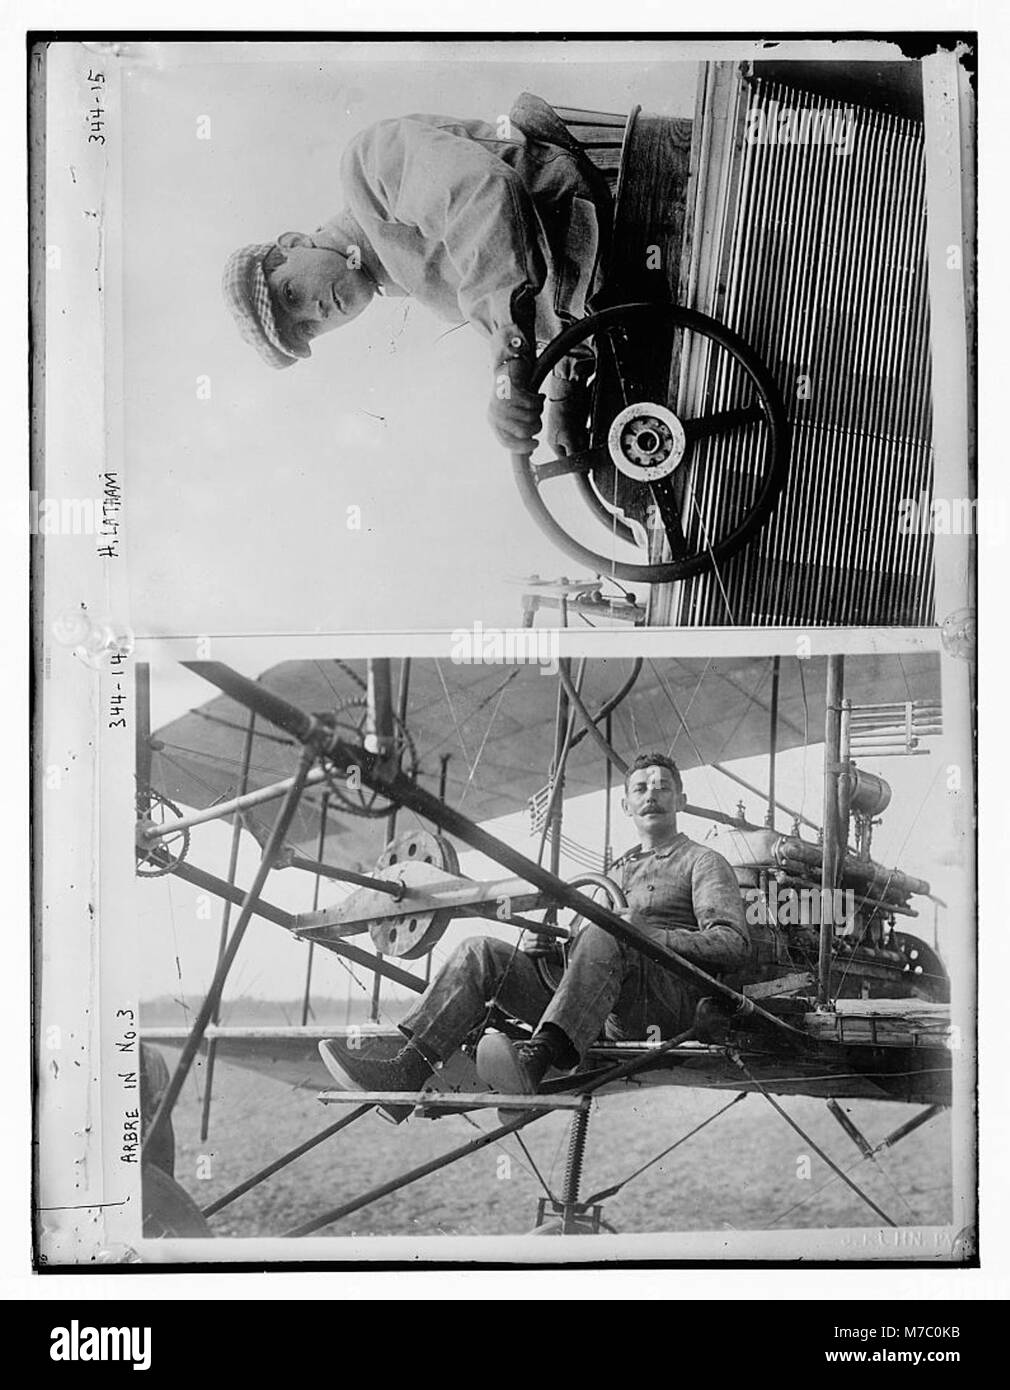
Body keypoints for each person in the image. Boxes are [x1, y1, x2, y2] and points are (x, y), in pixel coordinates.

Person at [319, 753, 752, 1117]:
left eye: (661, 787)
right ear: (626, 805)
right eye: (640, 788)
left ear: (681, 799)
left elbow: (733, 946)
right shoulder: (616, 871)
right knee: (480, 952)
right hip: (593, 1010)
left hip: (659, 1006)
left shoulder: (703, 862)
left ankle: (535, 1061)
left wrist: (651, 936)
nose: (652, 795)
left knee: (607, 929)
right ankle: (406, 1071)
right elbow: (593, 956)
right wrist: (550, 952)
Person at [222, 93, 613, 458]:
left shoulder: (369, 170)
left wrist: (508, 365)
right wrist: (568, 388)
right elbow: (550, 294)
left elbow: (484, 195)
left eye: (291, 295)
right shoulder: (413, 281)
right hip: (615, 295)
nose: (318, 312)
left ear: (292, 243)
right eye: (306, 329)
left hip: (626, 212)